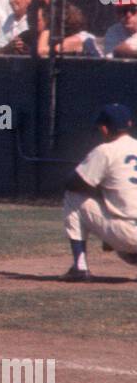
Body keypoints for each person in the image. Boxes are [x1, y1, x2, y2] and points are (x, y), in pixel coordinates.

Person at [62, 103, 137, 282]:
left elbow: (73, 184)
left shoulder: (105, 151)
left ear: (104, 128)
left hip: (128, 233)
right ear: (130, 124)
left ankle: (79, 267)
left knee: (73, 197)